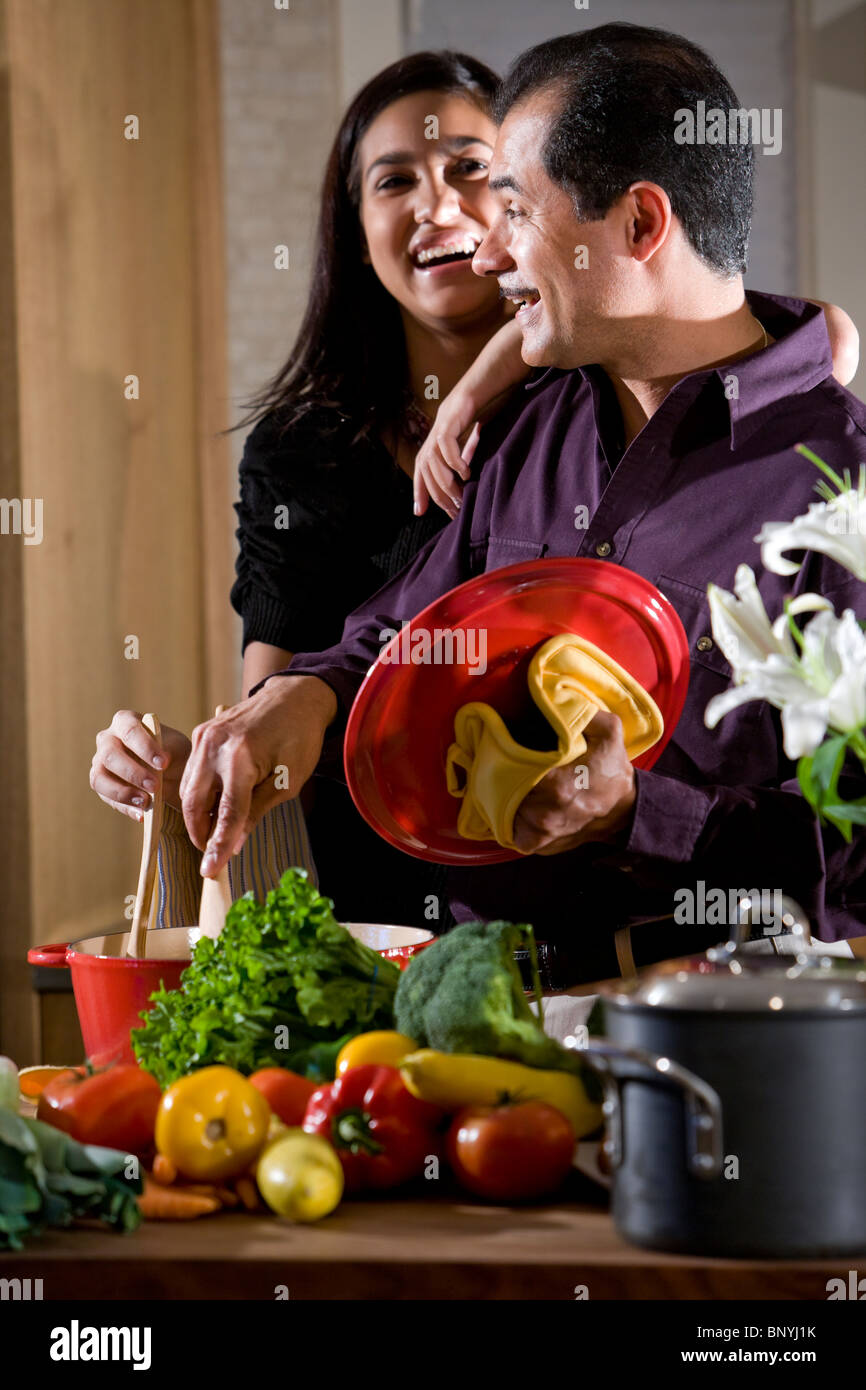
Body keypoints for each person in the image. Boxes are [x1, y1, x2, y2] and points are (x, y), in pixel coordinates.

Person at [90, 30, 861, 957]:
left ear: (642, 224)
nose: (488, 256)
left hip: (702, 1035)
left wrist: (638, 813)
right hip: (467, 1012)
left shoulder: (840, 489)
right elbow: (399, 634)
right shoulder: (537, 424)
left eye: (513, 210)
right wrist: (304, 696)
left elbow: (853, 857)